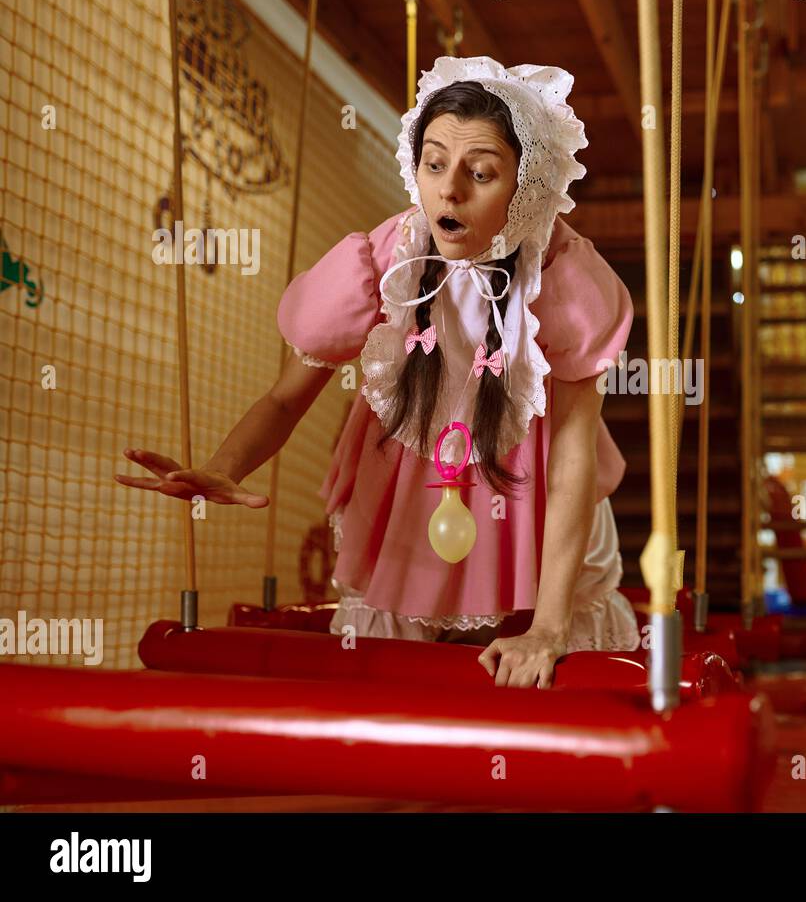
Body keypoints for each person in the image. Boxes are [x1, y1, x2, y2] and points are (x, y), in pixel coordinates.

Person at [115, 56, 641, 688]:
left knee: (543, 681)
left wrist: (551, 627)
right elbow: (285, 399)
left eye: (480, 173)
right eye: (434, 164)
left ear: (526, 185)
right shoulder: (387, 258)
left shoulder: (563, 275)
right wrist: (225, 467)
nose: (450, 190)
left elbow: (574, 458)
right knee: (393, 677)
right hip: (405, 494)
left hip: (534, 494)